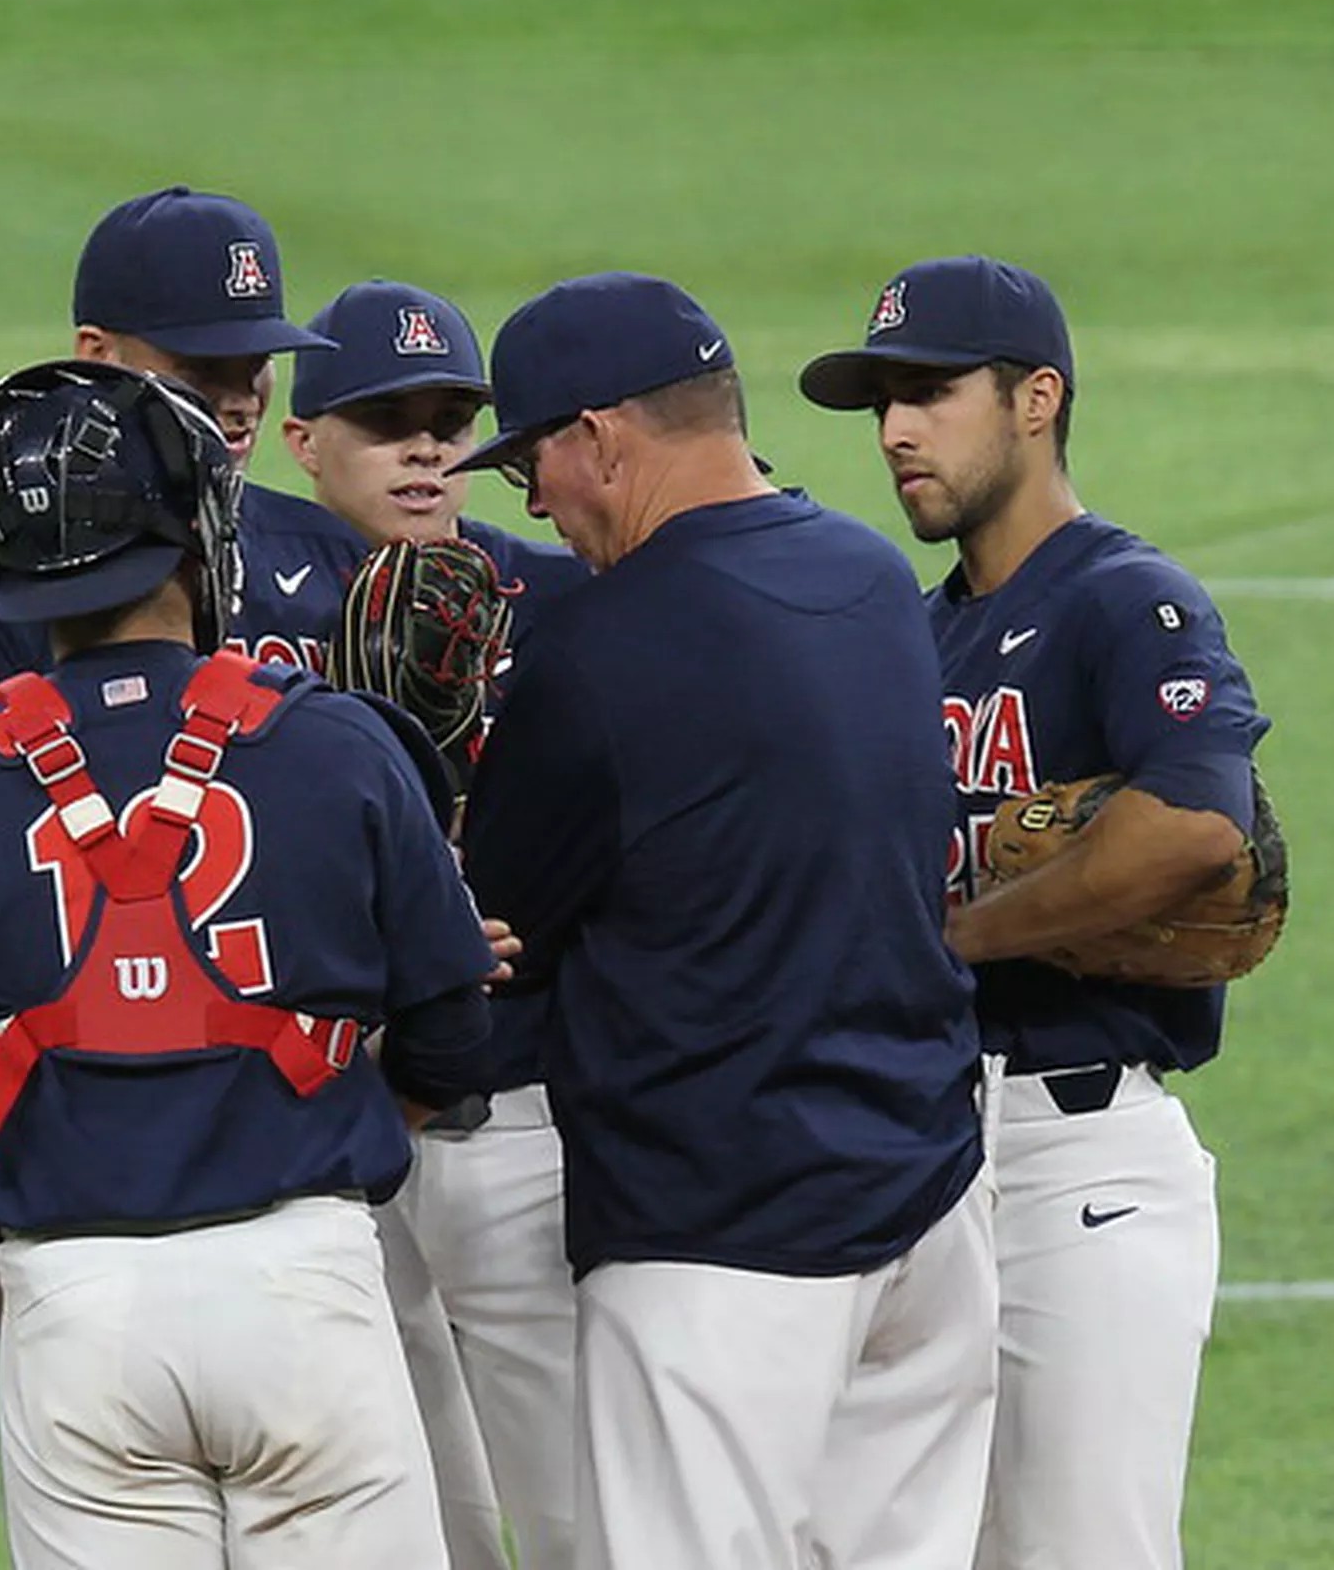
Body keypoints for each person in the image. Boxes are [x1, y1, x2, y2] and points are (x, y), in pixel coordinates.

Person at [0, 360, 502, 1569]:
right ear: (201, 535)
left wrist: (0, 1106)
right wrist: (326, 1100)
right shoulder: (338, 744)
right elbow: (451, 1032)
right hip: (306, 1283)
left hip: (77, 1312)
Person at [455, 272, 997, 1570]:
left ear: (599, 436)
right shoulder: (872, 582)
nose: (530, 502)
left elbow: (490, 933)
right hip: (929, 1209)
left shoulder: (598, 650)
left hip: (722, 1237)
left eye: (531, 463)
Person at [799, 256, 1271, 1570]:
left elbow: (1194, 825)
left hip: (1083, 1163)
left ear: (1035, 399)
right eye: (882, 400)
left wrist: (955, 938)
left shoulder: (1127, 598)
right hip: (924, 1153)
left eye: (930, 393)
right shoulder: (915, 632)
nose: (895, 429)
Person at [283, 278, 590, 1570]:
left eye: (450, 419)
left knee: (594, 1518)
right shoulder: (248, 619)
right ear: (303, 441)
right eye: (383, 419)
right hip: (339, 1131)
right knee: (414, 1532)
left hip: (526, 1115)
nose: (424, 448)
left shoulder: (568, 602)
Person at [0, 186, 369, 750]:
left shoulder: (334, 559)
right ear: (98, 356)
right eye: (202, 369)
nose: (241, 399)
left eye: (258, 365)